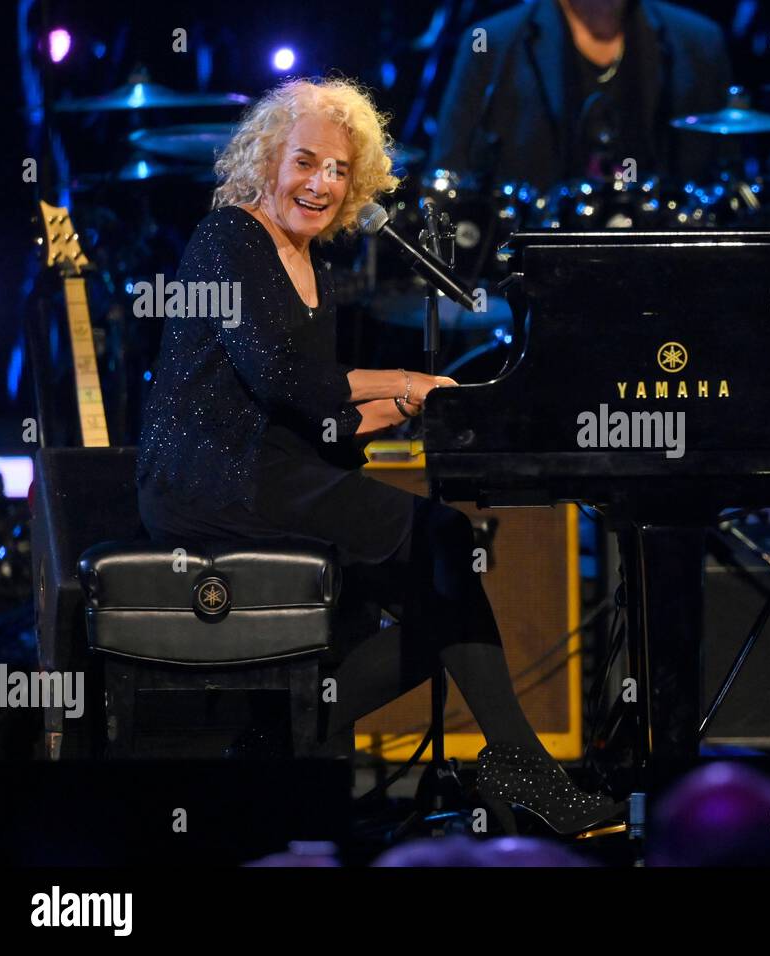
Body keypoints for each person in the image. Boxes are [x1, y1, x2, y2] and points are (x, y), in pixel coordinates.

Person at [136, 76, 622, 835]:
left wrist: (413, 404)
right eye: (305, 162)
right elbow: (283, 375)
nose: (322, 184)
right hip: (212, 477)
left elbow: (314, 413)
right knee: (441, 544)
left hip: (270, 469)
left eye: (338, 170)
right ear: (267, 159)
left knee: (438, 577)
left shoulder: (311, 267)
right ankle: (511, 763)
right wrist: (399, 381)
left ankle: (283, 749)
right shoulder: (230, 237)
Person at [428, 0, 733, 191]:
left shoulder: (700, 42)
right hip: (526, 275)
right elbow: (447, 175)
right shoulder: (491, 44)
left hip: (663, 273)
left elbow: (729, 176)